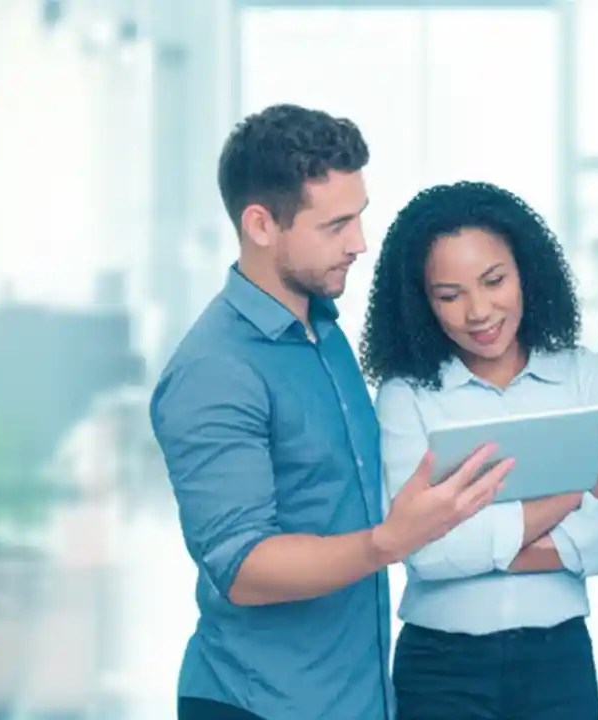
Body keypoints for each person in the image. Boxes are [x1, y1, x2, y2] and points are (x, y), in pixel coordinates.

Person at [148, 105, 511, 720]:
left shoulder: (322, 327)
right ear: (261, 224)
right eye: (336, 225)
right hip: (259, 704)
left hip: (354, 698)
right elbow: (244, 567)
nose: (359, 243)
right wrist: (389, 542)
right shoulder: (215, 369)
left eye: (359, 217)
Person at [360, 181, 598, 720]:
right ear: (421, 303)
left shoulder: (583, 375)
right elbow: (422, 551)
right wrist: (567, 495)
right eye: (449, 295)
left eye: (494, 281)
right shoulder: (405, 396)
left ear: (525, 272)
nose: (479, 312)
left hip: (558, 661)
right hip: (440, 669)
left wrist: (472, 534)